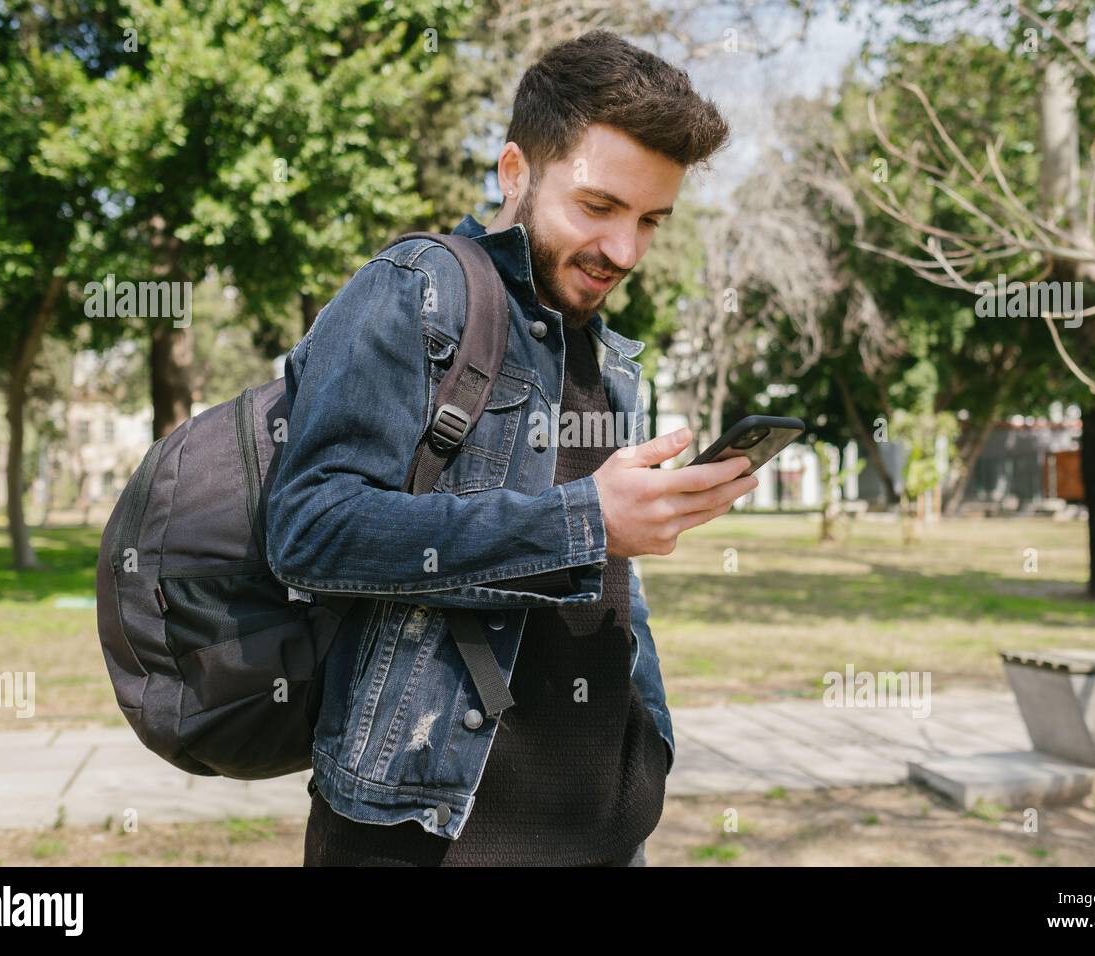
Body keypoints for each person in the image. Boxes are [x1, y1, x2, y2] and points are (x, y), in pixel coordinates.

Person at [268, 28, 751, 866]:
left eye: (651, 221)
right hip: (423, 835)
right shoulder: (414, 294)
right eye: (599, 208)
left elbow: (613, 589)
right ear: (515, 171)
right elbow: (309, 530)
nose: (623, 251)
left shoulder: (610, 354)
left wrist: (650, 751)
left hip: (604, 833)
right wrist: (581, 521)